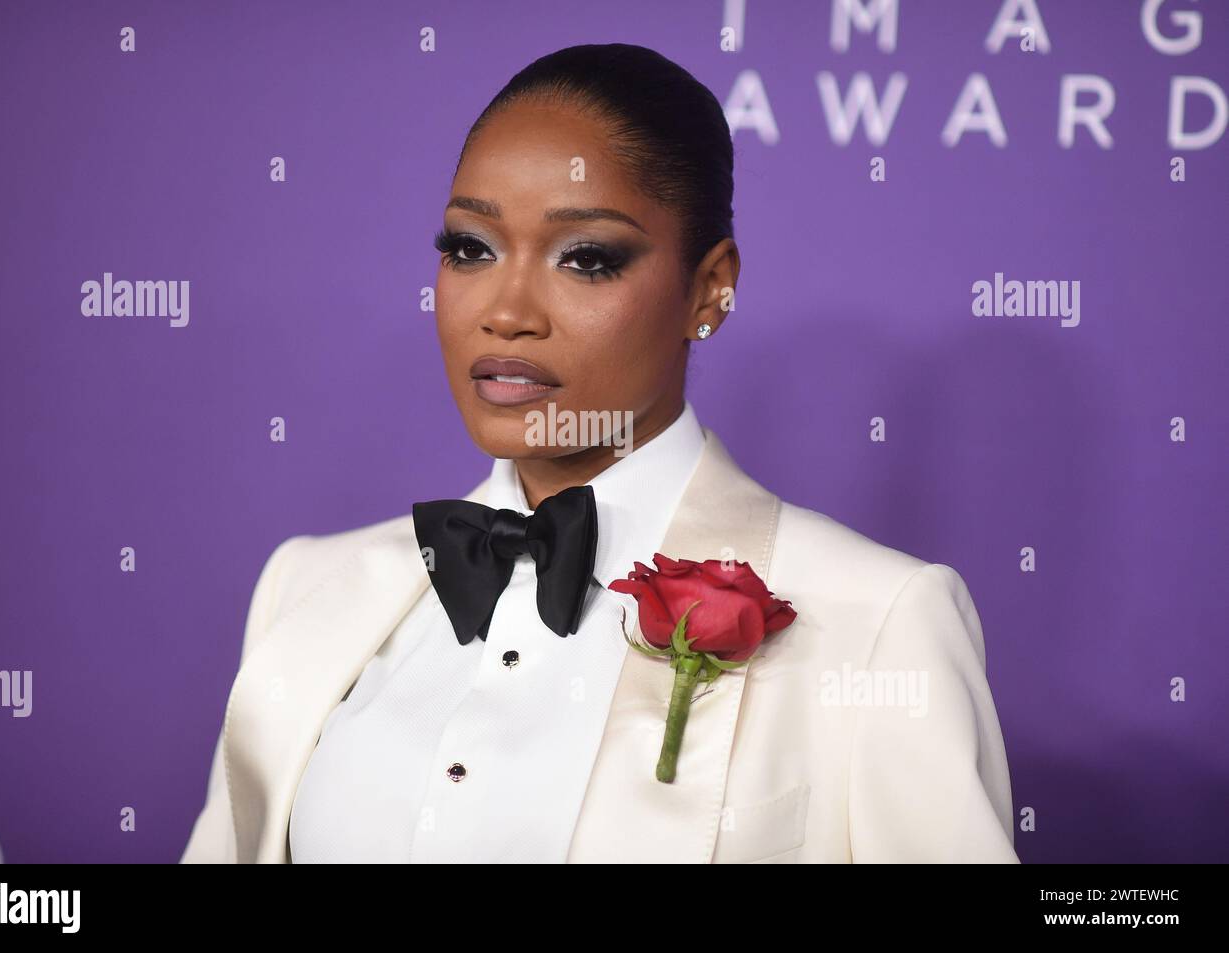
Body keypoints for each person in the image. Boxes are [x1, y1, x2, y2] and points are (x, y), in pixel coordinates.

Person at [180, 43, 1018, 864]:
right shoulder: (309, 588)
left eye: (586, 258)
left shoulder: (879, 620)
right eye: (470, 247)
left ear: (708, 289)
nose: (506, 312)